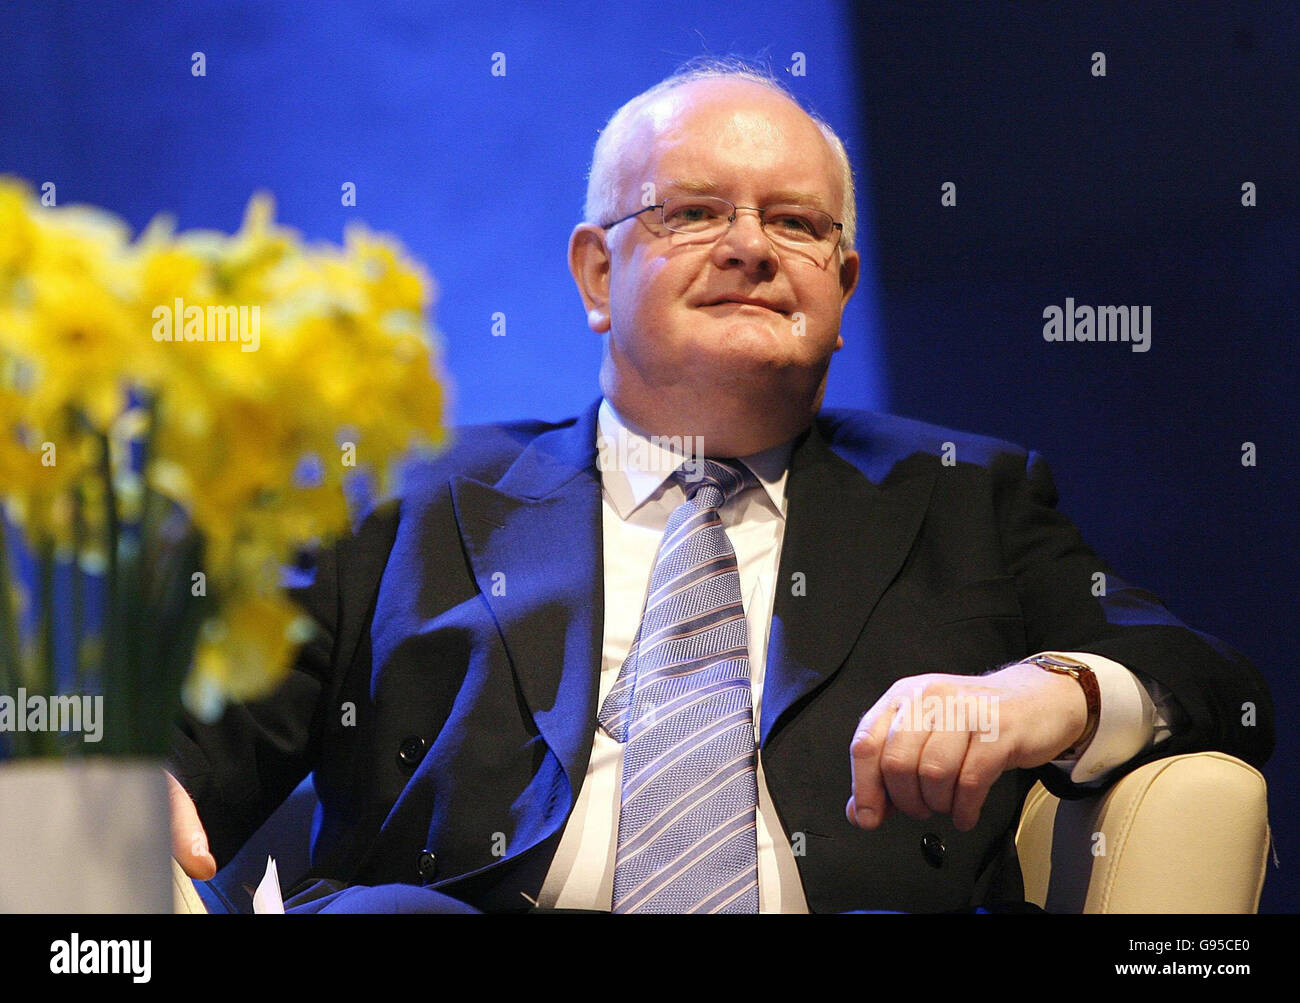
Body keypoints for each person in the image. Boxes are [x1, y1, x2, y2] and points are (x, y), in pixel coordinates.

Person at [168, 62, 1273, 914]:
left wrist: (1047, 692)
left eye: (796, 223)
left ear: (841, 287)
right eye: (691, 212)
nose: (749, 248)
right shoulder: (402, 493)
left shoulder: (964, 494)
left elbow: (1223, 689)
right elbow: (188, 739)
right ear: (598, 274)